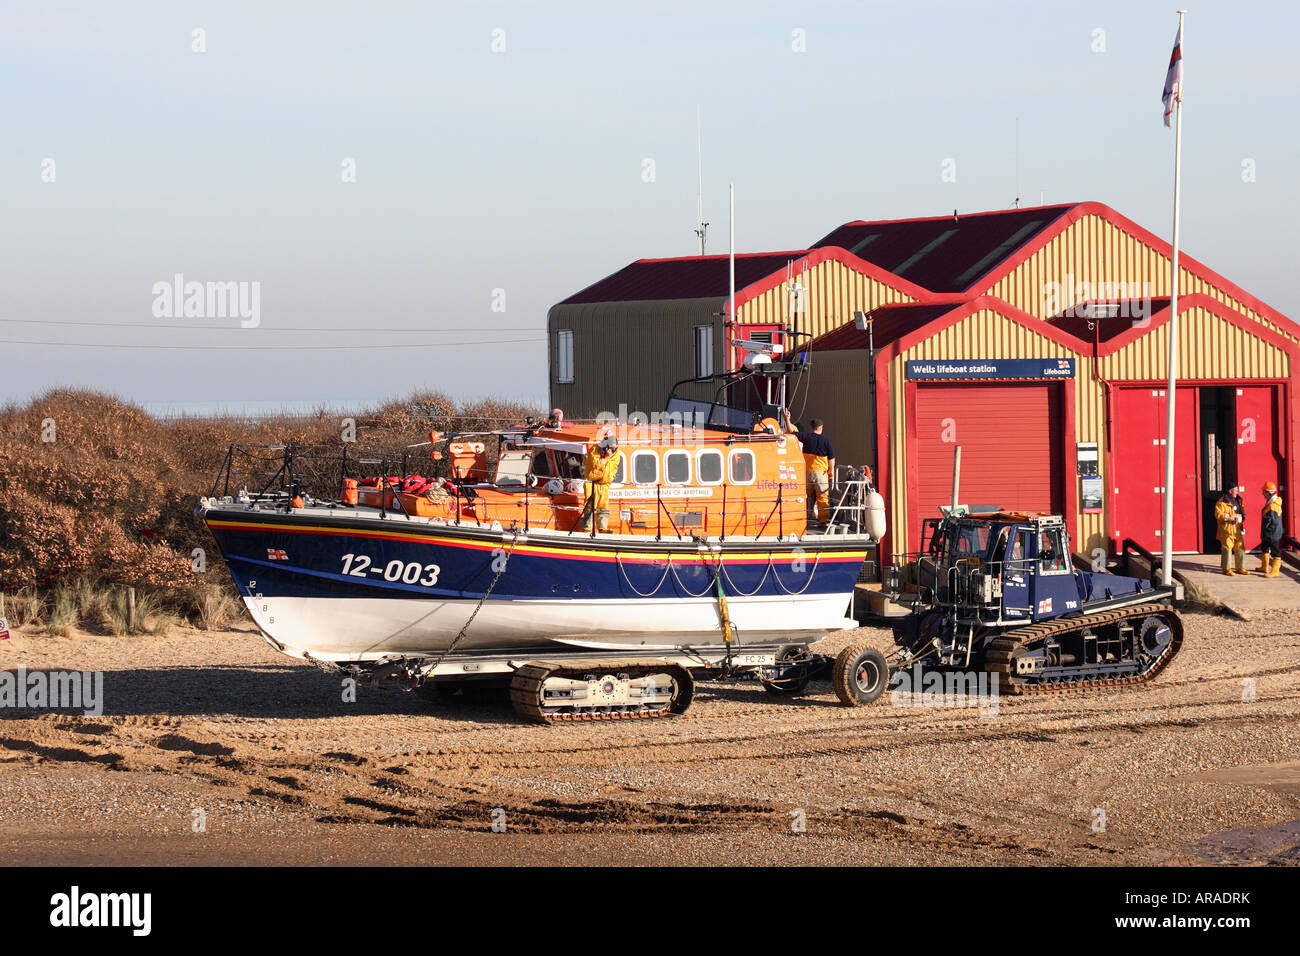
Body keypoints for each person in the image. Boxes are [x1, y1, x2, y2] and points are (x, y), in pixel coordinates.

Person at [781, 409, 836, 525]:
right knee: (822, 497)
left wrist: (787, 419)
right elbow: (832, 461)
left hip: (806, 473)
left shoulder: (806, 437)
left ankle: (805, 518)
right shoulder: (826, 442)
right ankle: (823, 521)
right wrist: (830, 474)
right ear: (821, 427)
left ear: (812, 427)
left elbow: (791, 432)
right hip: (820, 474)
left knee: (807, 496)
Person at [579, 433, 623, 532]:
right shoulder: (594, 450)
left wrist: (610, 477)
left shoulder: (616, 454)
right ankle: (587, 528)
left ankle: (602, 527)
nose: (613, 450)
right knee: (590, 506)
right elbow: (596, 465)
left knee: (603, 506)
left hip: (605, 484)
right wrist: (606, 457)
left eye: (615, 448)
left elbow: (614, 467)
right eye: (611, 448)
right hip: (592, 482)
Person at [1215, 485, 1249, 576]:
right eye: (1236, 490)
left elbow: (1240, 511)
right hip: (1226, 529)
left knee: (1240, 548)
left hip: (1237, 528)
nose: (1237, 492)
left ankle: (1240, 568)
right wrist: (1231, 518)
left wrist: (1242, 517)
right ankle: (1226, 568)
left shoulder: (1238, 500)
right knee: (1227, 548)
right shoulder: (1221, 502)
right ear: (1230, 491)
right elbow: (1218, 515)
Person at [1260, 480, 1284, 578]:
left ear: (1268, 493)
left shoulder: (1273, 505)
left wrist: (1267, 531)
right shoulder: (1270, 502)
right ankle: (1264, 567)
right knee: (1264, 547)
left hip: (1272, 533)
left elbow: (1273, 522)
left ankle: (1275, 571)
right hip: (1268, 532)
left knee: (1275, 551)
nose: (1263, 494)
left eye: (1264, 492)